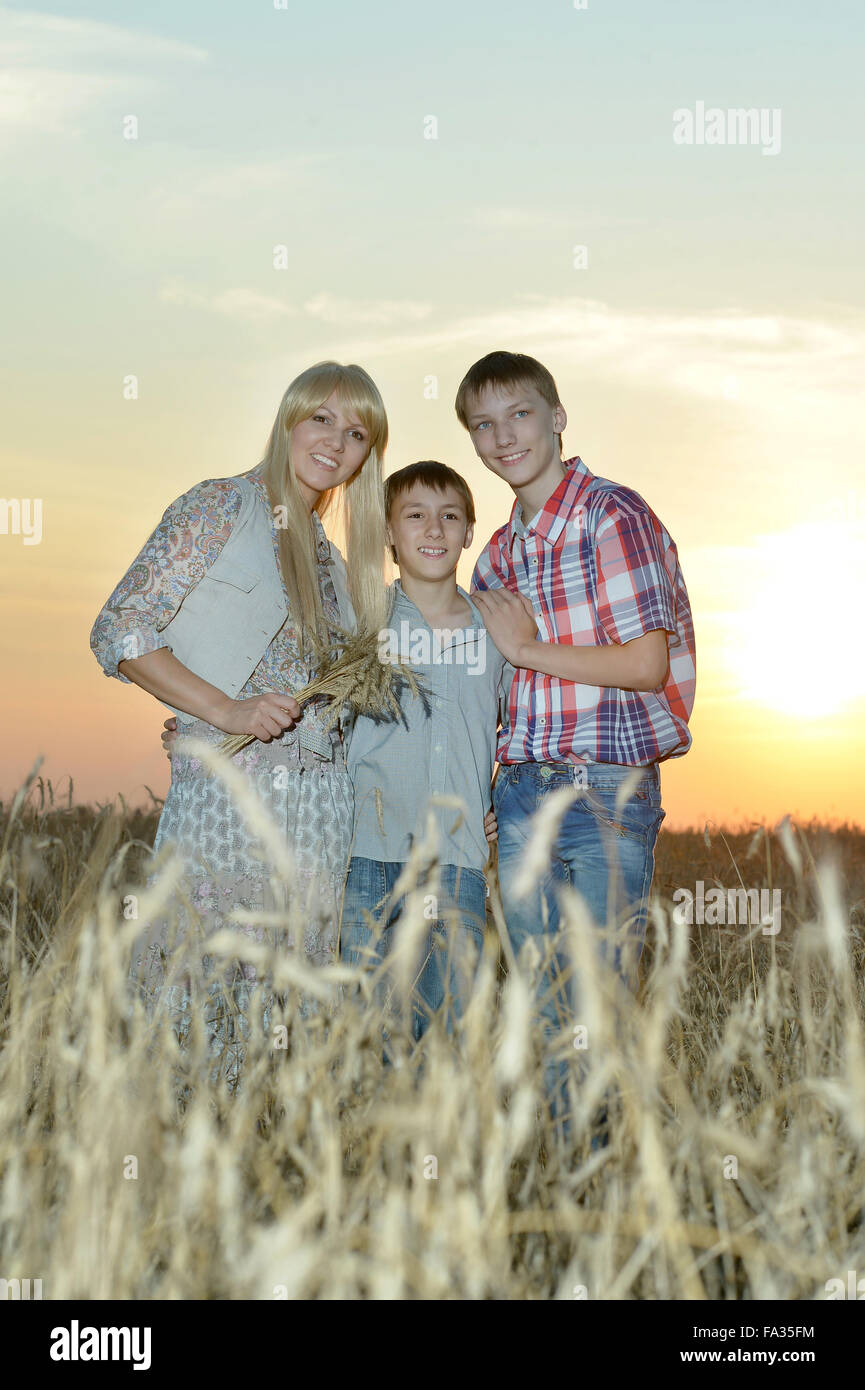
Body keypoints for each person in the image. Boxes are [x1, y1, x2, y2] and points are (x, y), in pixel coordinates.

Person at [90, 361, 389, 1077]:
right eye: (321, 418)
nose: (334, 442)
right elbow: (120, 630)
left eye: (355, 432)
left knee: (292, 1011)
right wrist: (218, 710)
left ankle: (268, 1169)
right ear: (288, 418)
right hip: (230, 797)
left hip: (321, 810)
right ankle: (181, 1165)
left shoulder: (337, 564)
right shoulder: (218, 506)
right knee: (204, 988)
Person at [456, 350, 696, 1134]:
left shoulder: (609, 515)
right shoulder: (495, 555)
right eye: (482, 425)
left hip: (603, 785)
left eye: (518, 414)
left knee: (599, 996)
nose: (502, 437)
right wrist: (484, 784)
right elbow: (490, 692)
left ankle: (611, 1178)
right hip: (521, 790)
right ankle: (568, 1182)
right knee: (544, 997)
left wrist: (527, 650)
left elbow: (644, 662)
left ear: (556, 418)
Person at [338, 461, 506, 1045]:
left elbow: (523, 727)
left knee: (446, 1040)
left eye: (449, 516)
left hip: (456, 860)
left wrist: (503, 801)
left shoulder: (497, 628)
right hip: (366, 855)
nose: (433, 529)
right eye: (415, 515)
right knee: (366, 1036)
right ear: (388, 531)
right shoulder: (361, 620)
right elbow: (313, 714)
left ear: (469, 531)